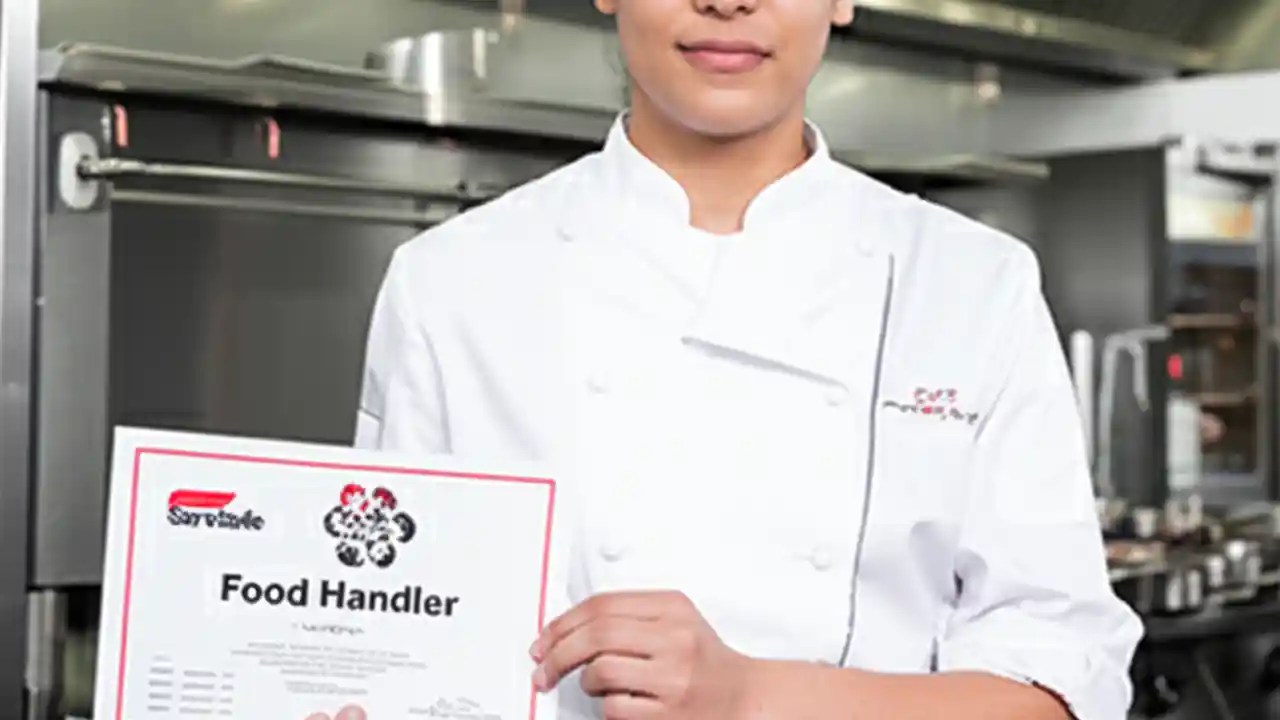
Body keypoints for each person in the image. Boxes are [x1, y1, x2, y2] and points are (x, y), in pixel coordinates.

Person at [307, 0, 1144, 718]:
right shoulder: (452, 281)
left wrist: (747, 693)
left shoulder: (969, 284)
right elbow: (394, 628)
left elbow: (1061, 684)